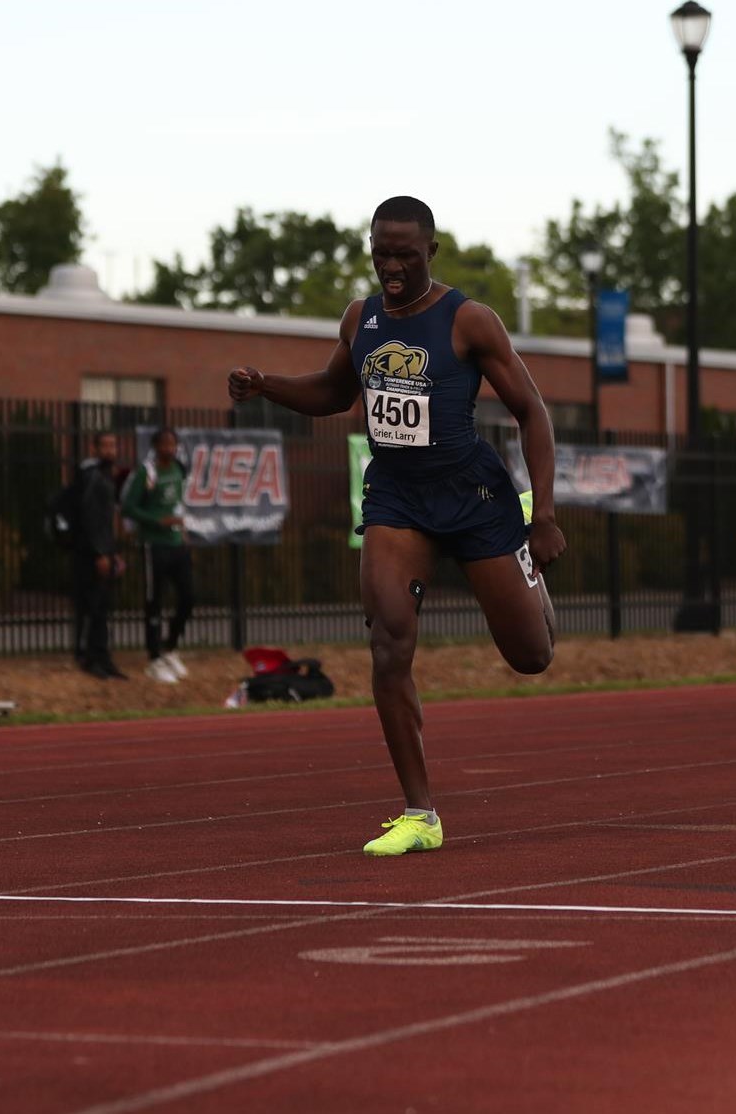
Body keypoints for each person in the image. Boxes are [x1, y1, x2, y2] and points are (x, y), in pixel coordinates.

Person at [227, 195, 563, 857]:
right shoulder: (362, 318)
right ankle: (420, 813)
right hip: (397, 499)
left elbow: (534, 412)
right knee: (388, 643)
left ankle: (524, 564)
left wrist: (544, 514)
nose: (392, 266)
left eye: (405, 254)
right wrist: (268, 386)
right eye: (381, 252)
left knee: (531, 656)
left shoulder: (470, 321)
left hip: (471, 495)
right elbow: (334, 392)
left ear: (431, 251)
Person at [123, 426, 195, 684]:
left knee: (188, 598)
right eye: (164, 444)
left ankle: (170, 647)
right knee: (155, 600)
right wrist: (157, 521)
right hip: (153, 544)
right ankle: (154, 658)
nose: (169, 448)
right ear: (155, 447)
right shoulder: (147, 472)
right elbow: (128, 508)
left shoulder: (179, 468)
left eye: (172, 444)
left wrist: (182, 531)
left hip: (177, 544)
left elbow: (178, 501)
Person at [70, 432, 126, 680]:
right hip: (91, 554)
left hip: (105, 550)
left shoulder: (107, 476)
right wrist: (100, 553)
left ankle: (103, 657)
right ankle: (90, 658)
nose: (110, 450)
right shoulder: (92, 476)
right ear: (94, 448)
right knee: (92, 607)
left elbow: (108, 520)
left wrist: (114, 552)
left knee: (103, 607)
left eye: (113, 445)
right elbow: (90, 518)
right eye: (105, 446)